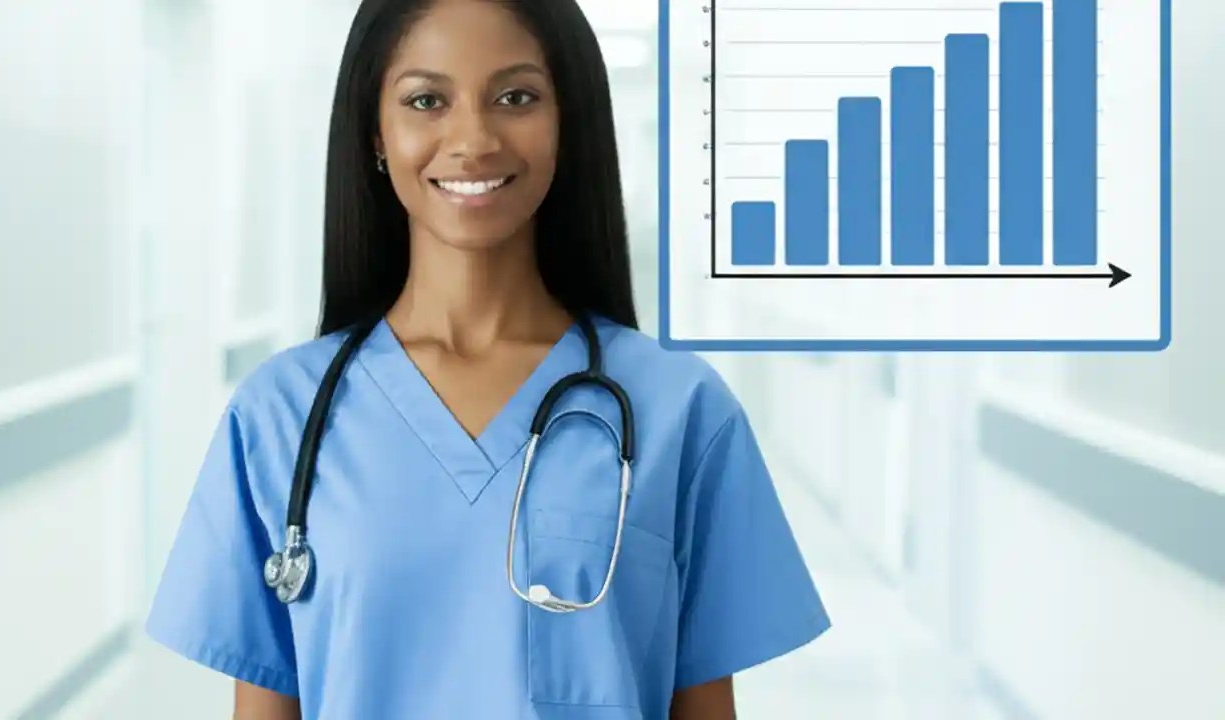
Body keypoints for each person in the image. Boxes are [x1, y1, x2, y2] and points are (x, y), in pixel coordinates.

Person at [143, 0, 830, 717]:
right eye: (426, 100)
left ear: (567, 125)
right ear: (375, 133)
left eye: (516, 97)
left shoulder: (679, 410)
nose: (472, 138)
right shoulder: (278, 414)